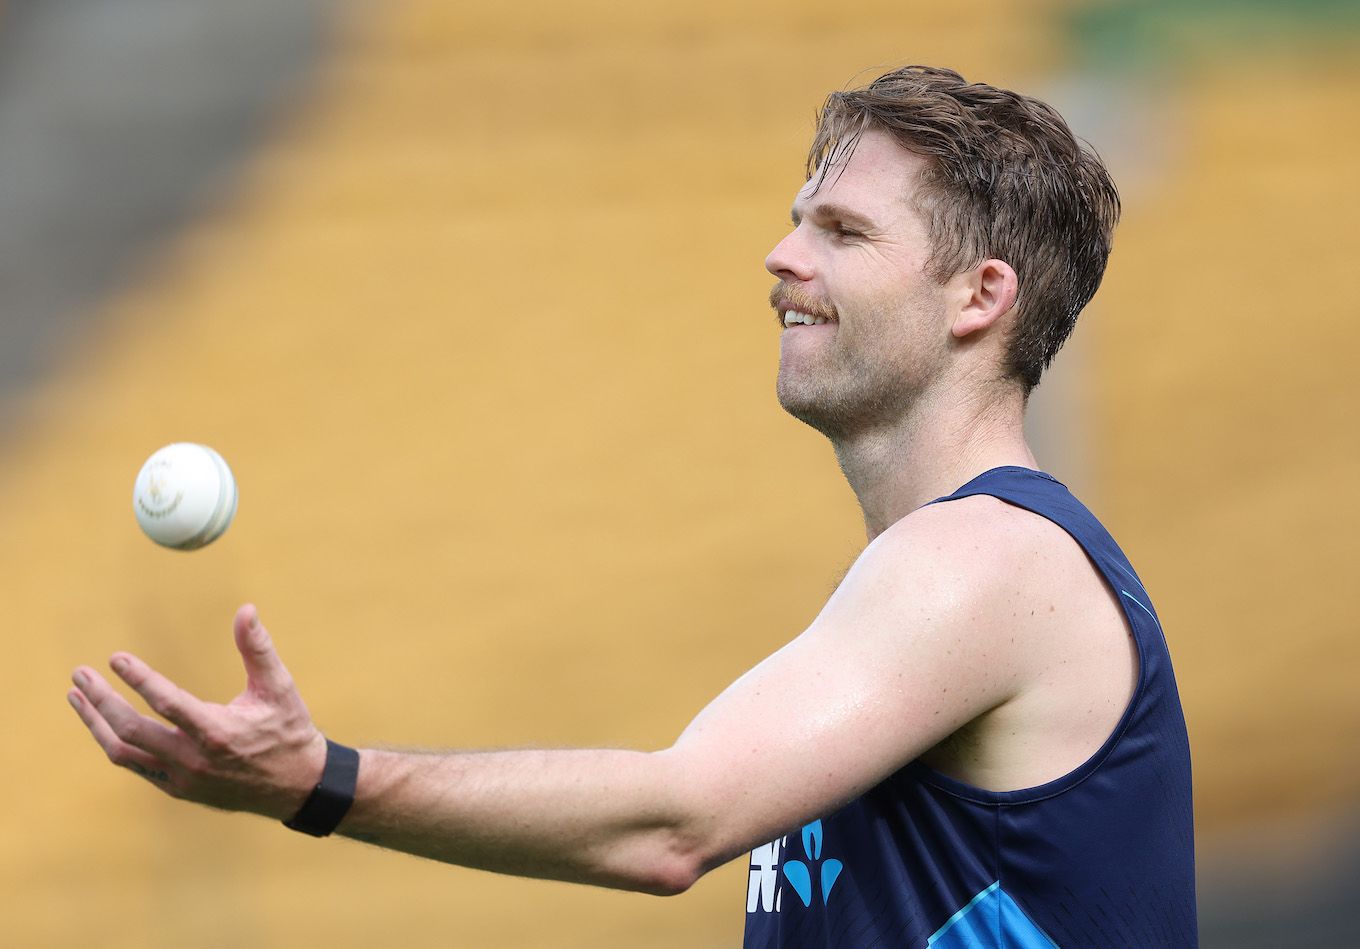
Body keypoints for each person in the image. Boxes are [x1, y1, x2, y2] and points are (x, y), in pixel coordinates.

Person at [68, 65, 1196, 947]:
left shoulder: (988, 562)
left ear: (978, 296)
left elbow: (671, 823)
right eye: (796, 219)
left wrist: (324, 780)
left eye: (841, 232)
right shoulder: (933, 577)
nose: (780, 256)